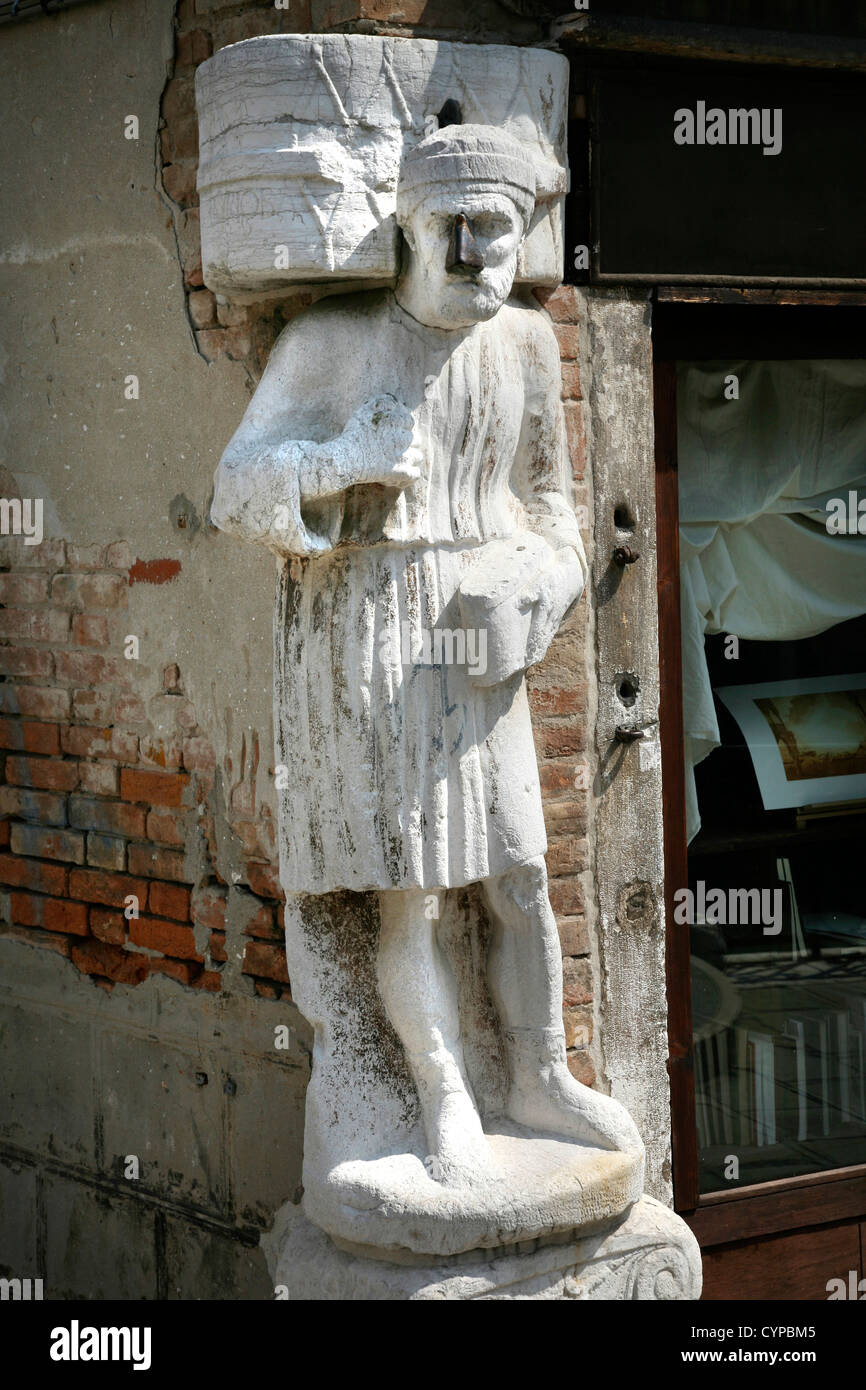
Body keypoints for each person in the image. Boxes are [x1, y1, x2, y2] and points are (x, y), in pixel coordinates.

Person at [211, 124, 643, 1197]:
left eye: (492, 233)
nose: (469, 258)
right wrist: (339, 460)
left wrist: (535, 590)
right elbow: (233, 492)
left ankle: (538, 1073)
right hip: (367, 634)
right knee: (408, 894)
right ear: (404, 226)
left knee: (518, 875)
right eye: (446, 231)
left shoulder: (527, 347)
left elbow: (553, 519)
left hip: (477, 639)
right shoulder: (331, 340)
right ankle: (443, 1097)